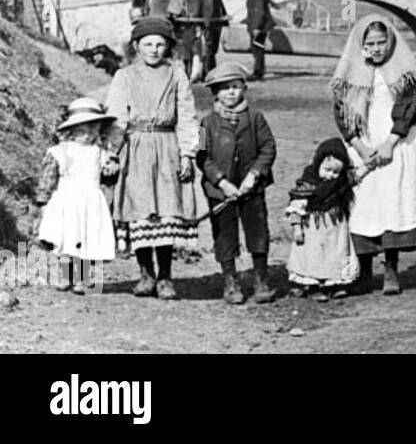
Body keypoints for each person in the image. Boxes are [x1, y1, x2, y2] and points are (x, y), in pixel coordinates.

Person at [330, 14, 416, 295]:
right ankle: (363, 269)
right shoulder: (350, 73)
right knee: (363, 205)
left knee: (392, 201)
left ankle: (391, 268)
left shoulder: (404, 71)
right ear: (361, 44)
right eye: (370, 43)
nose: (377, 48)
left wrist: (390, 143)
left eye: (382, 42)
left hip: (395, 140)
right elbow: (342, 112)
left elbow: (409, 107)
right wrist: (360, 147)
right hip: (363, 143)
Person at [106, 16, 202, 300]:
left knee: (167, 214)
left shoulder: (177, 75)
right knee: (140, 214)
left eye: (160, 44)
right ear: (136, 46)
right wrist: (112, 153)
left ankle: (165, 278)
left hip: (167, 146)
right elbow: (116, 118)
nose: (154, 50)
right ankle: (145, 274)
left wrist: (188, 154)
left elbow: (187, 117)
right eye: (147, 44)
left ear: (168, 47)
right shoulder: (124, 76)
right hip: (134, 149)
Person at [197, 62, 278, 305]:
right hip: (221, 192)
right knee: (225, 235)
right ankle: (231, 282)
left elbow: (268, 148)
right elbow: (201, 156)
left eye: (235, 86)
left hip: (251, 190)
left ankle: (261, 280)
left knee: (258, 232)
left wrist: (253, 176)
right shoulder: (205, 124)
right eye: (224, 88)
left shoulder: (256, 118)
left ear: (244, 88)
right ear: (215, 93)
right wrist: (221, 182)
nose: (231, 92)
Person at [34, 98, 120, 295]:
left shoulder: (100, 152)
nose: (87, 135)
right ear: (71, 130)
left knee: (87, 241)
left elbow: (108, 178)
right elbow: (48, 177)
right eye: (82, 131)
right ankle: (66, 276)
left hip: (91, 202)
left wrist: (112, 170)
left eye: (92, 130)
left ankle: (83, 278)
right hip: (67, 201)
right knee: (67, 240)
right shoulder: (61, 151)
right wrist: (43, 200)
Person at [285, 138, 359, 301]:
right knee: (314, 255)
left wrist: (373, 161)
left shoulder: (341, 184)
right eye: (327, 170)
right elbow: (296, 206)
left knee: (339, 252)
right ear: (318, 163)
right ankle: (313, 285)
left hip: (336, 227)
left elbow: (359, 174)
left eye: (335, 172)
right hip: (314, 226)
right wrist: (297, 227)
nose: (330, 176)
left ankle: (338, 284)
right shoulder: (308, 184)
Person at [240, 0, 277, 81]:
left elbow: (259, 11)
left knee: (257, 49)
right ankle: (258, 71)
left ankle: (258, 73)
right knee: (257, 49)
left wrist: (257, 27)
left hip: (259, 27)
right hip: (260, 26)